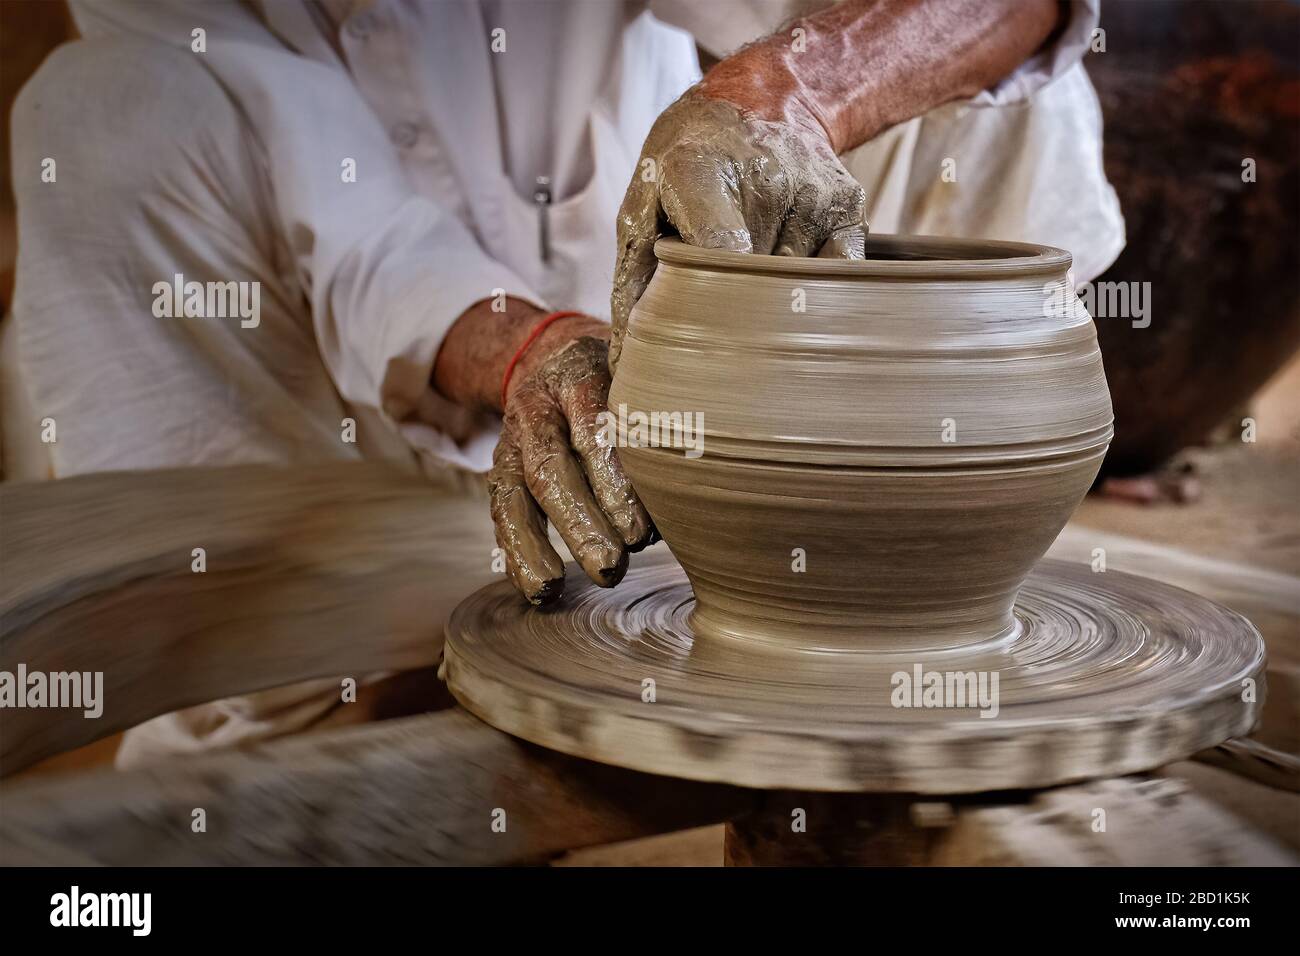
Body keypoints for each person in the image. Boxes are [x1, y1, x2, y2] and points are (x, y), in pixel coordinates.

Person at [7, 0, 1122, 763]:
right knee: (102, 112)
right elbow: (361, 239)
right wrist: (535, 345)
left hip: (696, 402)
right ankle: (289, 705)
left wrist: (783, 90)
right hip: (355, 458)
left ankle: (926, 584)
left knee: (988, 75)